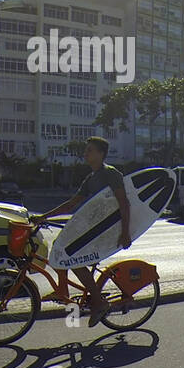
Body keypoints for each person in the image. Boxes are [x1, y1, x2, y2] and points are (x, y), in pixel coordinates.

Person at [40, 136, 136, 320]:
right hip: (93, 228)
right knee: (60, 244)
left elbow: (124, 204)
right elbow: (71, 204)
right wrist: (44, 217)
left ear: (101, 154)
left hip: (108, 229)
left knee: (73, 261)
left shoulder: (111, 173)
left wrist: (125, 232)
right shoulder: (91, 178)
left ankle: (100, 302)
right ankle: (62, 290)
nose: (85, 153)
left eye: (90, 150)